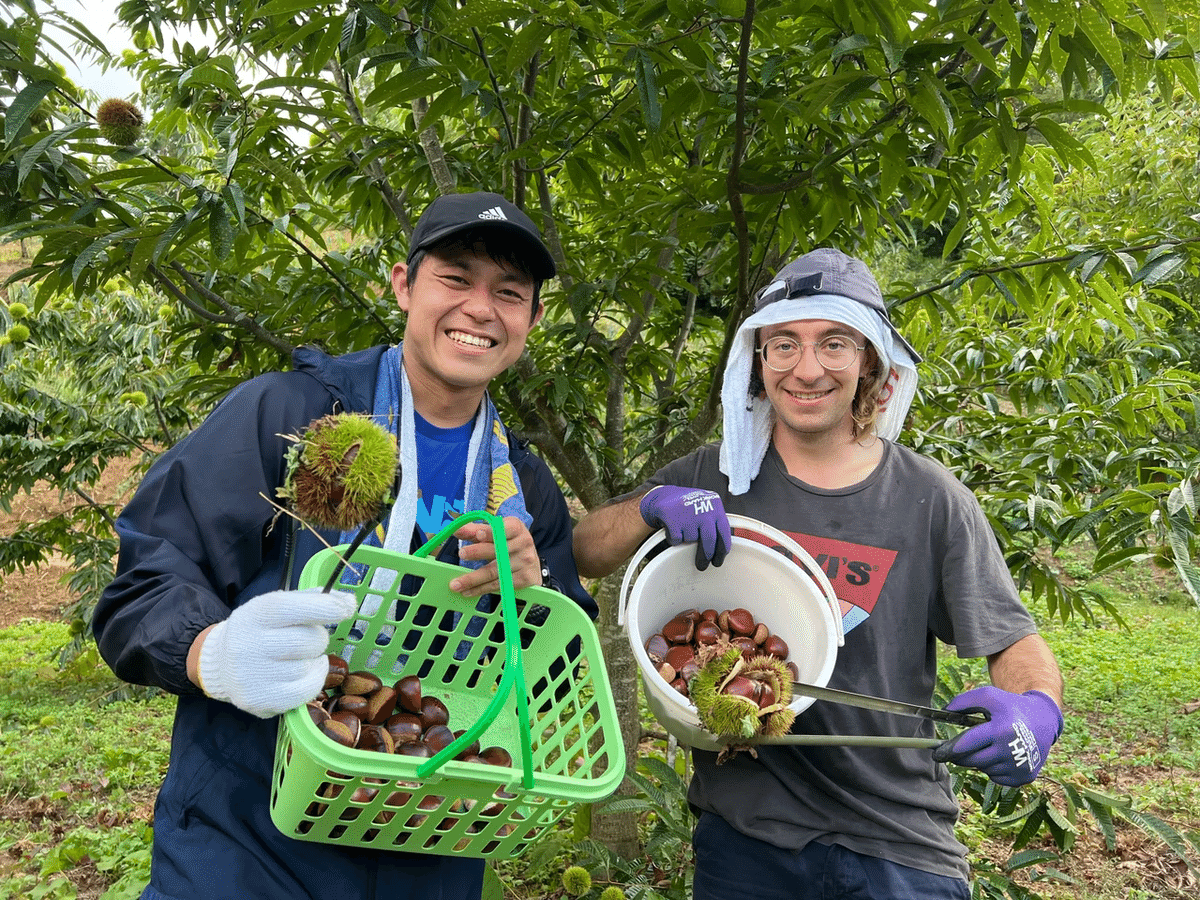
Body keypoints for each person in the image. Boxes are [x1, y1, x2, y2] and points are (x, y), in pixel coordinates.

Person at [93, 191, 598, 900]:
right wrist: (212, 652)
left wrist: (535, 592)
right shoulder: (293, 416)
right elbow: (147, 578)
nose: (481, 308)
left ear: (531, 320)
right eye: (455, 278)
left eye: (509, 293)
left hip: (429, 832)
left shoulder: (523, 482)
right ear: (403, 283)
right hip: (248, 835)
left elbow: (555, 669)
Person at [572, 248, 1064, 900]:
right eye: (783, 345)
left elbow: (1012, 641)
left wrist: (1037, 711)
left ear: (869, 361)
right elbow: (587, 549)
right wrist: (648, 507)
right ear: (759, 360)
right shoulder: (714, 477)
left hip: (898, 843)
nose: (807, 369)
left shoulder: (929, 498)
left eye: (833, 343)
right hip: (747, 840)